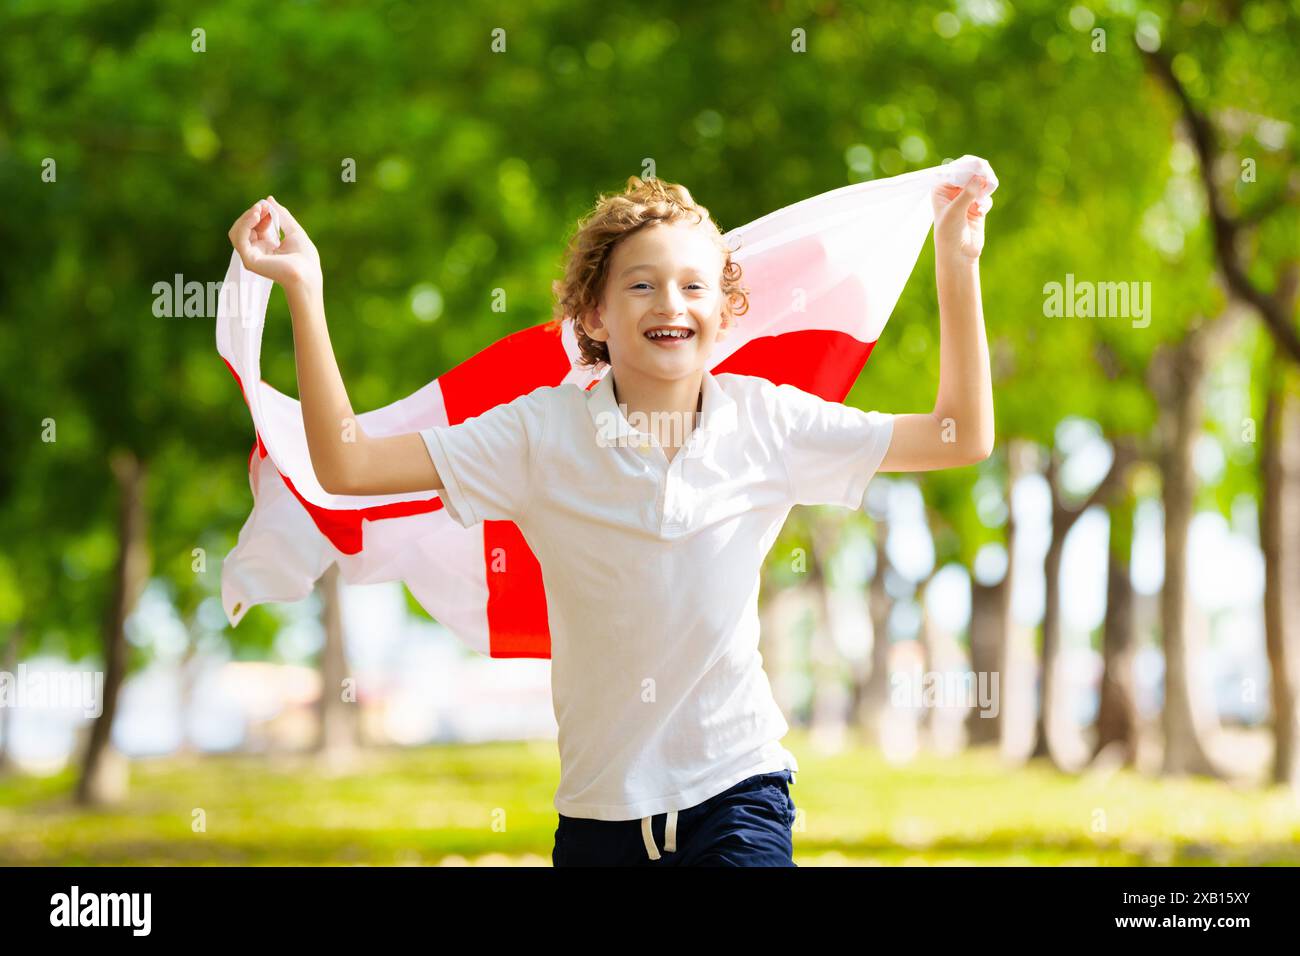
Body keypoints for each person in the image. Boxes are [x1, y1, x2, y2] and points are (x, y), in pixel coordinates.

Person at [227, 171, 992, 866]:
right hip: (600, 815)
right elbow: (348, 465)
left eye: (695, 287)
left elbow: (960, 436)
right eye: (642, 286)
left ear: (725, 314)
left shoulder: (769, 423)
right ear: (593, 311)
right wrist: (305, 286)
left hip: (739, 791)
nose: (671, 304)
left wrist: (956, 261)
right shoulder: (535, 435)